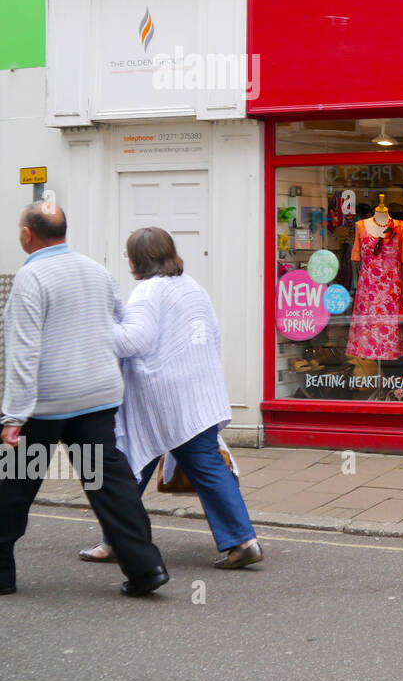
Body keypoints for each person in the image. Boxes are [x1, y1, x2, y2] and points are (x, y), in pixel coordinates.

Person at [0, 203, 168, 597]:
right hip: (96, 399)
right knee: (108, 483)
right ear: (62, 230)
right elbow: (121, 324)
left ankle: (2, 575)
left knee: (13, 483)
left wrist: (14, 417)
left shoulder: (32, 277)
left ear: (27, 234)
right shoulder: (97, 271)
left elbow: (24, 352)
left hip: (46, 405)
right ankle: (146, 568)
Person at [78, 227, 263, 569]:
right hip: (198, 392)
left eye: (129, 255)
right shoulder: (192, 287)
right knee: (165, 466)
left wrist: (98, 324)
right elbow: (214, 335)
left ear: (136, 259)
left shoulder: (148, 292)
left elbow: (134, 342)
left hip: (164, 401)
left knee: (130, 466)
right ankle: (242, 540)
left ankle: (120, 541)